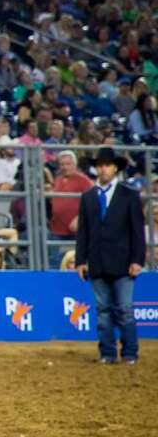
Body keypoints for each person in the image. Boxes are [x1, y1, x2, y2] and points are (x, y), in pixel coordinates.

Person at [75, 148, 142, 366]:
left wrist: (137, 260)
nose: (103, 168)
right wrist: (80, 260)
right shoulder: (88, 197)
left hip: (123, 262)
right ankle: (108, 352)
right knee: (103, 311)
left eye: (107, 165)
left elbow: (137, 231)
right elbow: (83, 232)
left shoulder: (129, 195)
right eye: (100, 165)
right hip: (97, 261)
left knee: (124, 309)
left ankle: (130, 352)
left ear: (115, 168)